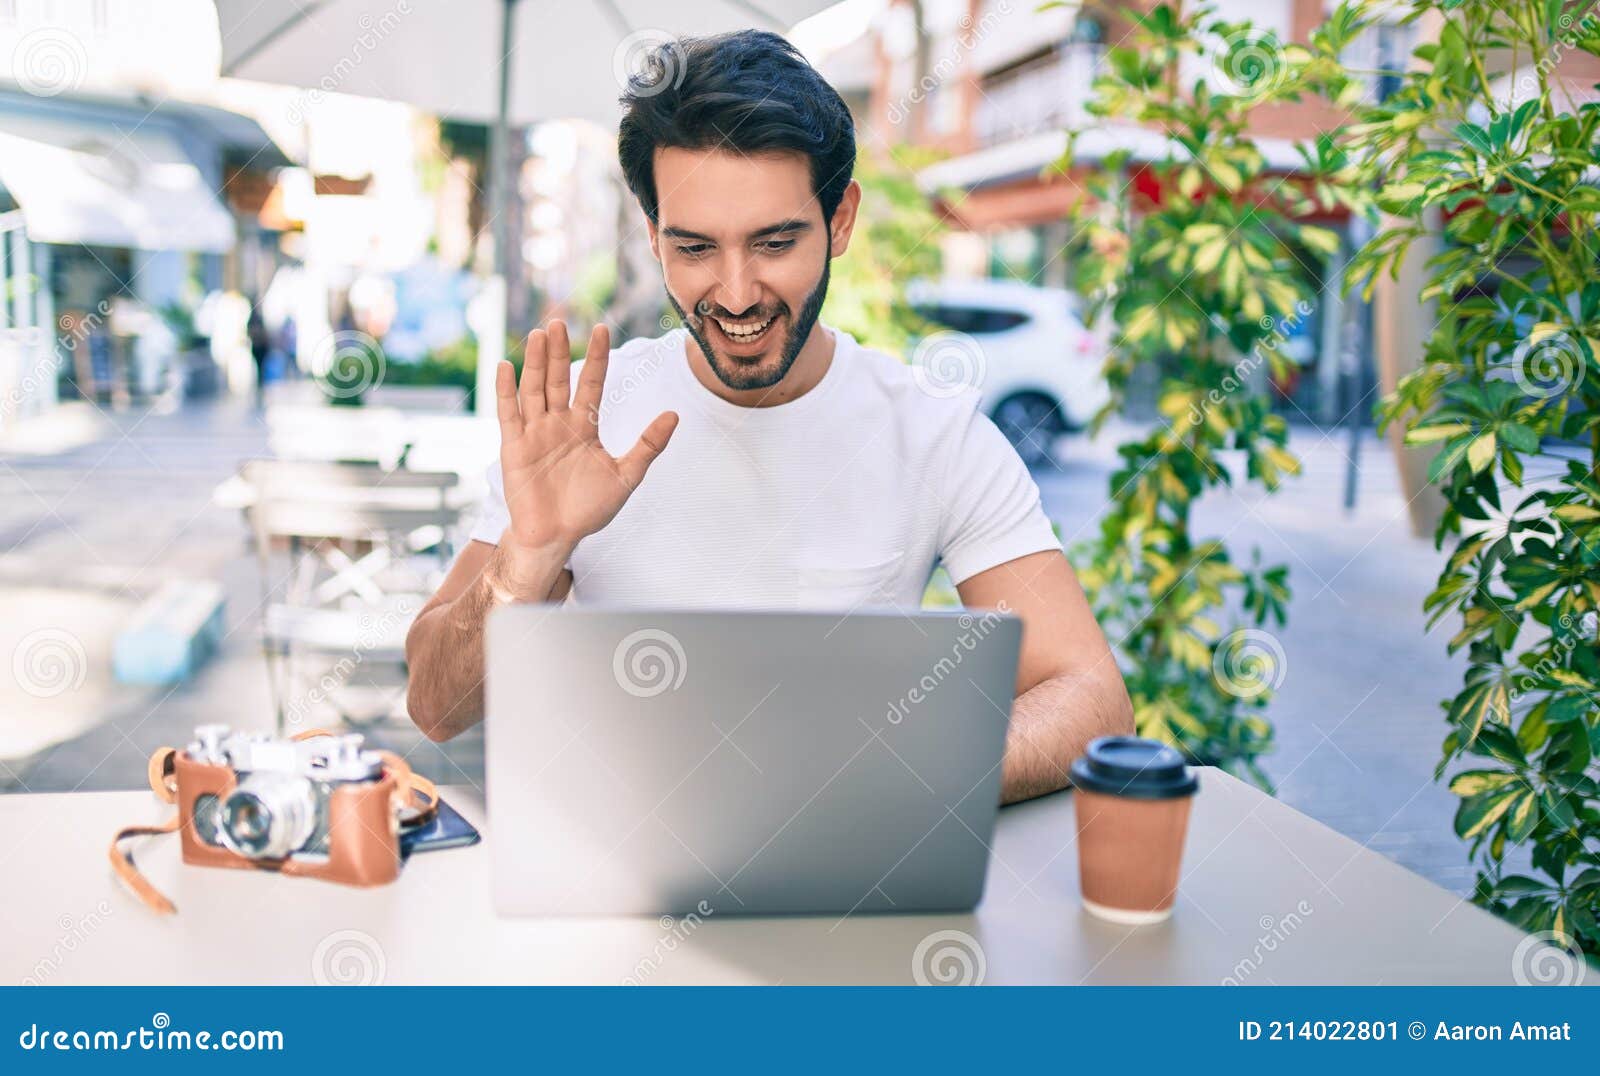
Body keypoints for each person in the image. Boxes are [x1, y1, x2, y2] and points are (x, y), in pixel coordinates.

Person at [404, 30, 1133, 803]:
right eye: (694, 248)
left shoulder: (934, 432)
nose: (737, 292)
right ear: (653, 239)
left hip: (852, 879)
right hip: (608, 889)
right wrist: (531, 555)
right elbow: (436, 706)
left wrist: (894, 773)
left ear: (840, 220)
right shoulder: (584, 419)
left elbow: (1093, 701)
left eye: (775, 241)